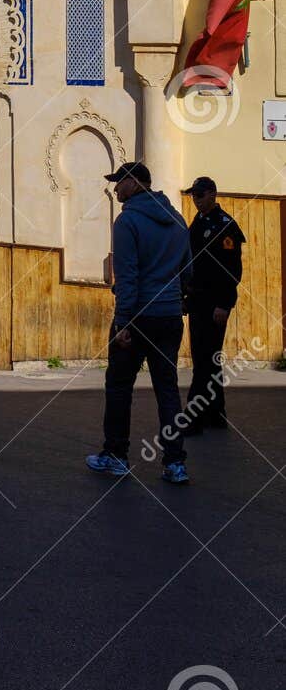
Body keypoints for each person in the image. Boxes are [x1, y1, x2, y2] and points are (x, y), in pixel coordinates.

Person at [86, 161, 190, 485]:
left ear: (134, 182)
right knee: (168, 391)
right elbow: (188, 272)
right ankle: (175, 464)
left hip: (138, 316)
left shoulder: (127, 220)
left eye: (119, 182)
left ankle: (116, 456)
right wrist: (176, 302)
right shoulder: (177, 220)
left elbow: (128, 278)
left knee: (118, 387)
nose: (115, 188)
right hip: (170, 316)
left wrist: (122, 323)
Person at [183, 176, 244, 433]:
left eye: (200, 195)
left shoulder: (225, 226)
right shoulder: (197, 223)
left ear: (212, 194)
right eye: (193, 195)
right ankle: (216, 413)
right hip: (198, 300)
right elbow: (191, 264)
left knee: (205, 360)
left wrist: (224, 303)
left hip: (215, 303)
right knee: (207, 358)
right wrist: (185, 296)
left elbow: (232, 270)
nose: (195, 200)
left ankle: (194, 418)